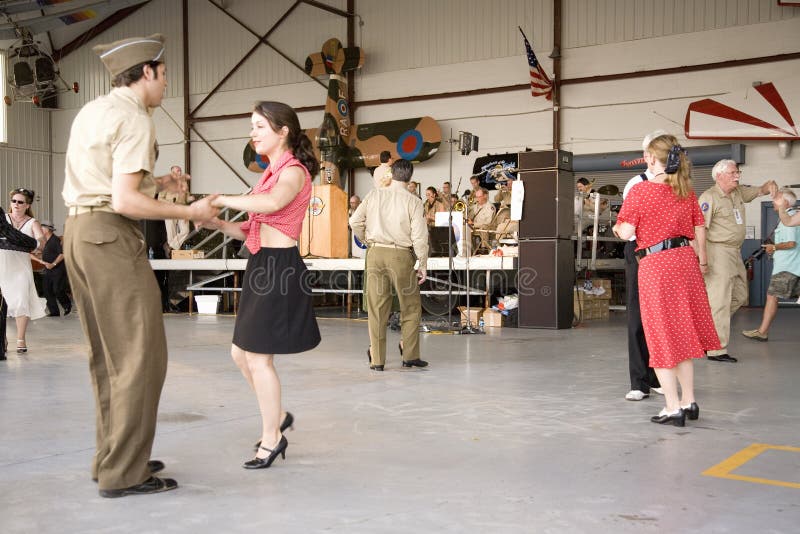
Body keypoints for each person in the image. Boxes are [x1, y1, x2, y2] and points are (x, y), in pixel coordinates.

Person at [62, 34, 219, 498]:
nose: (166, 83)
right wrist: (191, 212)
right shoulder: (135, 119)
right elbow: (125, 199)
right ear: (147, 73)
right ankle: (125, 472)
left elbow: (110, 181)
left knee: (108, 357)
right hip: (110, 237)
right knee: (140, 355)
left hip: (80, 235)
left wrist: (162, 182)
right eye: (165, 74)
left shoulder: (94, 110)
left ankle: (112, 456)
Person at [200, 101, 321, 469]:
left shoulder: (293, 172)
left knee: (258, 357)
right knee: (241, 353)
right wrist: (217, 223)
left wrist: (220, 198)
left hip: (279, 268)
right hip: (260, 263)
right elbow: (252, 228)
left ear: (283, 131)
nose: (252, 133)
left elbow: (272, 204)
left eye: (259, 126)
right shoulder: (269, 173)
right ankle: (278, 416)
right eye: (251, 126)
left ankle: (272, 438)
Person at [613, 134, 720, 427]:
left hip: (657, 265)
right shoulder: (686, 191)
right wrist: (703, 259)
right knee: (683, 332)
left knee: (659, 333)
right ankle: (689, 400)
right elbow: (700, 228)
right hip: (685, 261)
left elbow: (625, 233)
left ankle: (672, 407)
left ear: (650, 158)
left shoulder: (641, 191)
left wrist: (616, 225)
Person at [350, 158, 429, 371]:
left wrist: (368, 241)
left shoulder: (374, 194)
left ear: (391, 174)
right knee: (410, 307)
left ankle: (377, 361)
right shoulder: (414, 201)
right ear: (410, 177)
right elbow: (420, 237)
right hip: (401, 255)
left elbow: (354, 221)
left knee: (377, 309)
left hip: (375, 254)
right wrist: (422, 263)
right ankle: (410, 356)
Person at [698, 160, 777, 363]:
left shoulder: (738, 193)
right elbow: (699, 231)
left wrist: (769, 186)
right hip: (718, 251)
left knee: (741, 295)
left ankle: (705, 329)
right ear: (720, 176)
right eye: (733, 172)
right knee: (720, 302)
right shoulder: (709, 198)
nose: (737, 175)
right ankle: (716, 349)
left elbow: (760, 191)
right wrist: (702, 260)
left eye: (737, 172)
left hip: (734, 252)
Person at [621, 131, 666, 402]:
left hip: (668, 255)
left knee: (661, 317)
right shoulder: (635, 184)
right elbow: (628, 226)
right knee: (638, 317)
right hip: (640, 251)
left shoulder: (675, 185)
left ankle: (657, 375)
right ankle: (639, 381)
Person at [742, 189, 800, 342]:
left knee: (771, 296)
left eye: (777, 198)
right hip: (790, 265)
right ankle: (762, 331)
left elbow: (791, 243)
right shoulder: (787, 217)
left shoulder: (791, 218)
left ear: (785, 203)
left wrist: (773, 247)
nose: (773, 200)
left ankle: (762, 331)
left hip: (788, 267)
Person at [0, 188, 47, 353]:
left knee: (21, 301)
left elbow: (41, 241)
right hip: (2, 264)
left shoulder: (32, 222)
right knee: (2, 304)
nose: (16, 205)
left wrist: (38, 244)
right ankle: (2, 339)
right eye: (14, 201)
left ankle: (20, 338)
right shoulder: (3, 219)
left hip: (20, 267)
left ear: (27, 205)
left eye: (20, 202)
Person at [32, 221, 71, 317]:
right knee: (46, 290)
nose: (40, 230)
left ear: (47, 229)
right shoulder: (46, 241)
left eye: (42, 228)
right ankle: (54, 312)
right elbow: (48, 253)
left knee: (57, 289)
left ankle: (67, 305)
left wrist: (53, 264)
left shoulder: (55, 240)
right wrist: (40, 256)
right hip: (48, 270)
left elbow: (62, 254)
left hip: (58, 270)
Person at [161, 165, 193, 252]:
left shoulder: (184, 183)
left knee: (185, 230)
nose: (179, 172)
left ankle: (170, 246)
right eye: (176, 171)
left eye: (179, 171)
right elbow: (160, 198)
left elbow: (186, 197)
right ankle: (173, 253)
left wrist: (190, 198)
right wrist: (170, 203)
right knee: (171, 233)